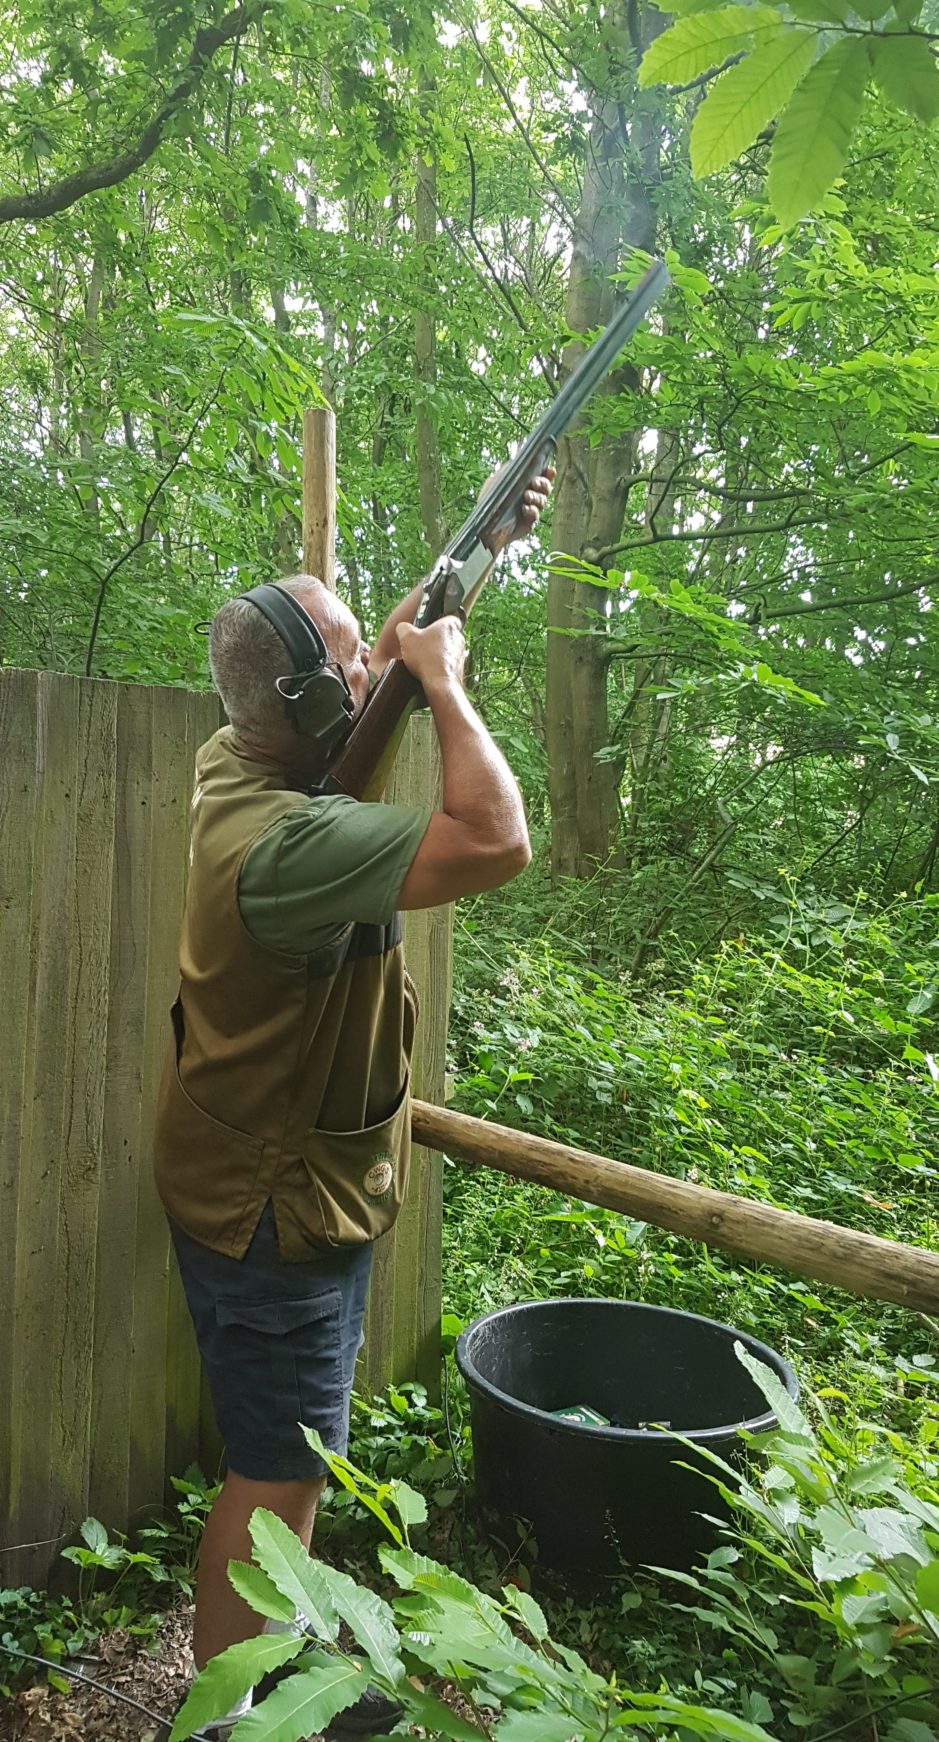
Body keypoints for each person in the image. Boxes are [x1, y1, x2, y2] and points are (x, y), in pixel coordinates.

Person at [152, 470, 553, 1741]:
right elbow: (497, 838)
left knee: (293, 1461)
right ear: (310, 701)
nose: (370, 660)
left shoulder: (247, 748)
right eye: (348, 658)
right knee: (273, 1478)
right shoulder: (281, 844)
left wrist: (481, 548)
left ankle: (276, 1681)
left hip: (266, 1176)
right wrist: (445, 680)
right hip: (273, 1204)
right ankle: (231, 1715)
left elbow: (362, 681)